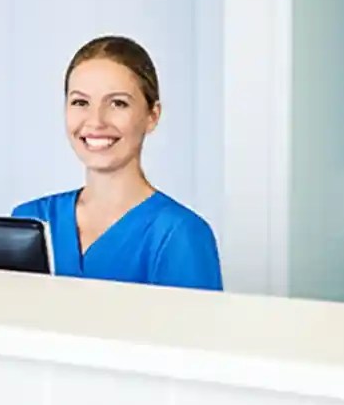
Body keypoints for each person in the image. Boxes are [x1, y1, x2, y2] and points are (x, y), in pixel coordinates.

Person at [12, 35, 223, 291]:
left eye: (117, 103)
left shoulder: (180, 235)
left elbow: (193, 331)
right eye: (81, 102)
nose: (96, 121)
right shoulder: (32, 221)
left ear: (152, 116)